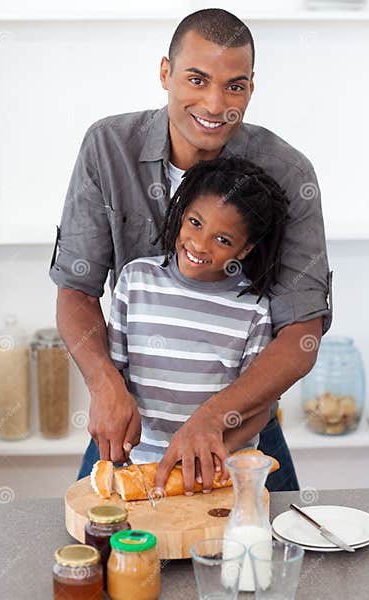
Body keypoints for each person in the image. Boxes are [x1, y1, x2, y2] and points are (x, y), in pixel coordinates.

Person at [50, 8, 332, 493]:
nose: (215, 103)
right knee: (97, 553)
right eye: (197, 79)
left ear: (251, 87)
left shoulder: (289, 173)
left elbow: (300, 331)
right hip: (133, 433)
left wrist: (213, 419)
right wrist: (104, 386)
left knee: (272, 559)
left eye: (235, 86)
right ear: (165, 73)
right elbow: (76, 291)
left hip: (241, 432)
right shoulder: (107, 147)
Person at [80, 157, 290, 491]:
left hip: (215, 477)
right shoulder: (136, 280)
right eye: (195, 222)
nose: (199, 244)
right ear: (180, 213)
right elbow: (115, 378)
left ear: (246, 249)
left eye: (223, 240)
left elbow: (258, 411)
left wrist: (210, 454)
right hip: (141, 471)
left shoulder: (253, 310)